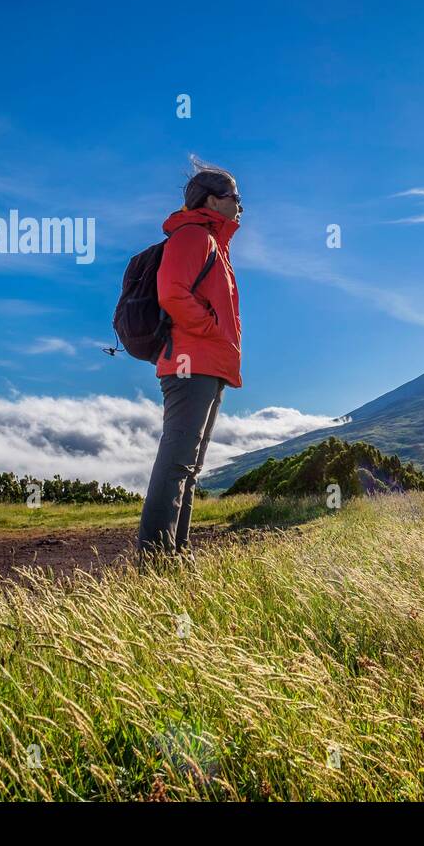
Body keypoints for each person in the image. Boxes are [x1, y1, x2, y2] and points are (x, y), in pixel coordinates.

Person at [138, 161, 243, 557]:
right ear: (213, 200)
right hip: (190, 363)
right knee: (178, 462)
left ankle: (176, 555)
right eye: (235, 196)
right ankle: (155, 559)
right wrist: (211, 330)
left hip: (208, 364)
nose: (241, 205)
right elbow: (171, 294)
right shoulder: (192, 237)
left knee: (189, 467)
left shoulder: (214, 243)